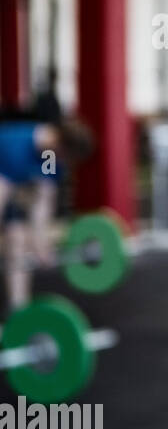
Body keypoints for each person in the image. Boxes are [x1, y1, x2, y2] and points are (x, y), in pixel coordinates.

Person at [0, 116, 94, 316]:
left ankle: (19, 313)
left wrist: (41, 245)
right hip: (4, 184)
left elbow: (41, 204)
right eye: (66, 156)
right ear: (58, 141)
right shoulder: (13, 146)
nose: (64, 162)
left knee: (18, 241)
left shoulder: (50, 156)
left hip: (13, 190)